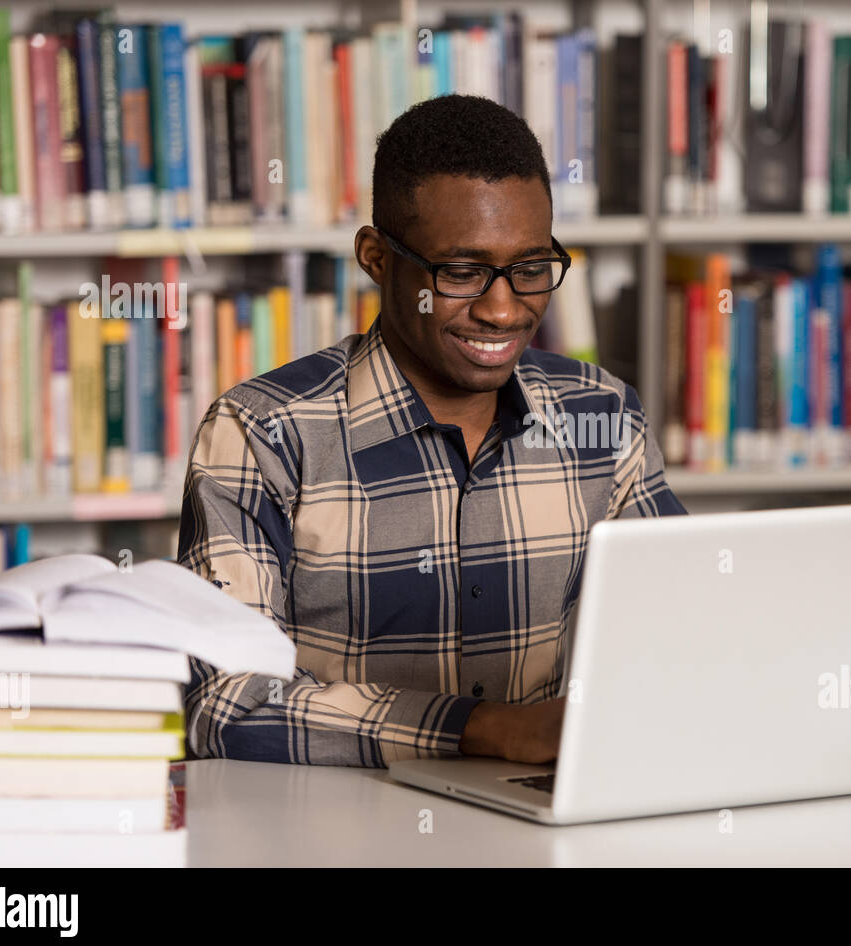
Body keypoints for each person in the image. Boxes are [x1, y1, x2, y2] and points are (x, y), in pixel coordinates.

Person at [178, 94, 685, 768]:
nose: (503, 310)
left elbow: (687, 630)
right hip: (333, 834)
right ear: (376, 259)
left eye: (530, 269)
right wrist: (485, 727)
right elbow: (227, 703)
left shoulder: (602, 417)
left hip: (543, 825)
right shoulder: (262, 434)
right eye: (462, 272)